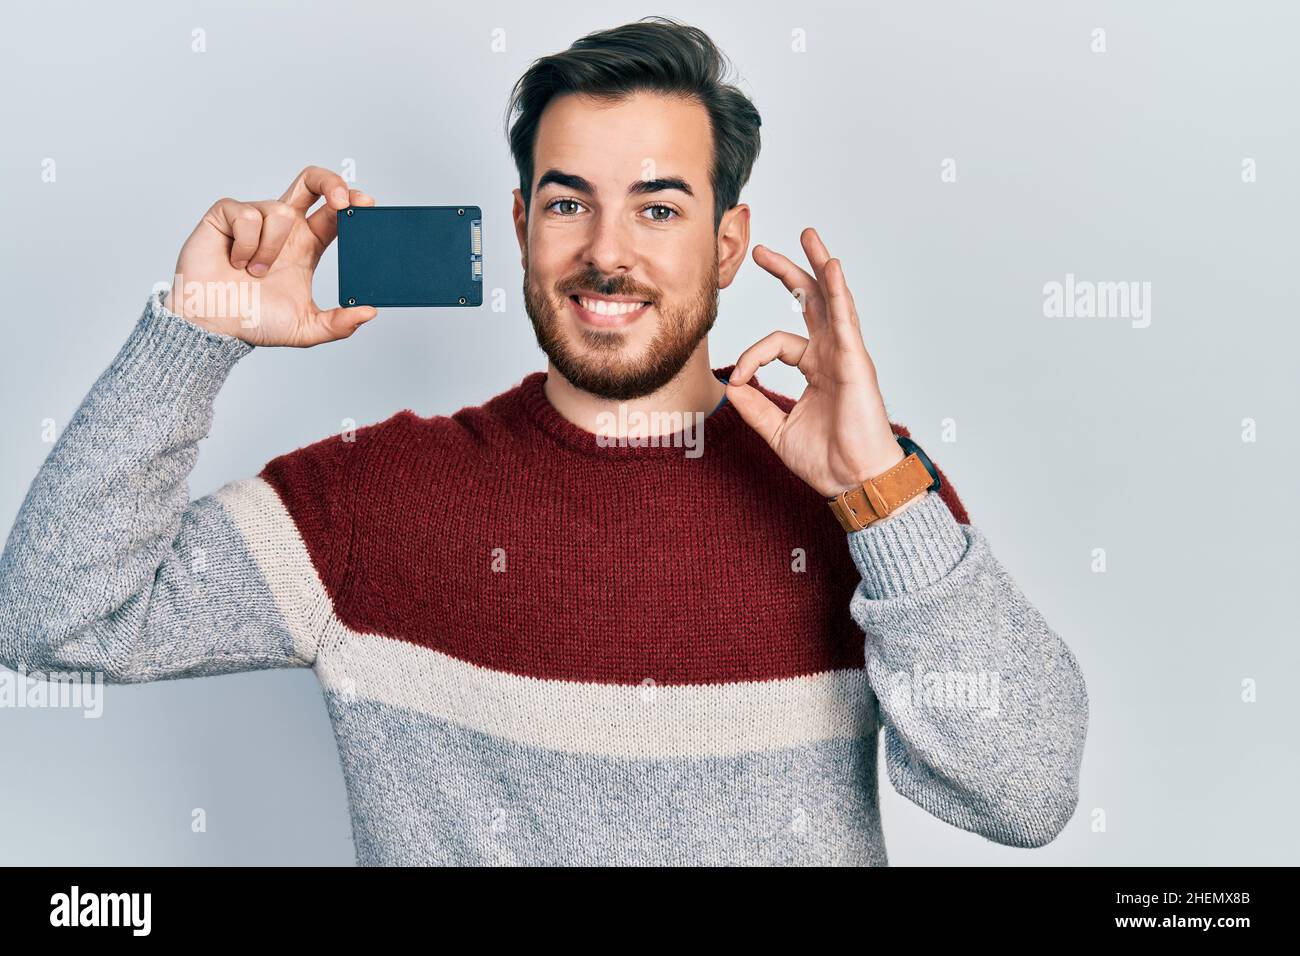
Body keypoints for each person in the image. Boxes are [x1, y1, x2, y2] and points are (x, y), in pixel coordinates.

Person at [0, 16, 1087, 865]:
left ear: (727, 243)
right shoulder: (373, 497)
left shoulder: (859, 493)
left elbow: (1024, 789)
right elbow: (52, 619)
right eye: (569, 205)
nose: (605, 253)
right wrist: (190, 335)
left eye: (658, 209)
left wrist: (881, 494)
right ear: (520, 226)